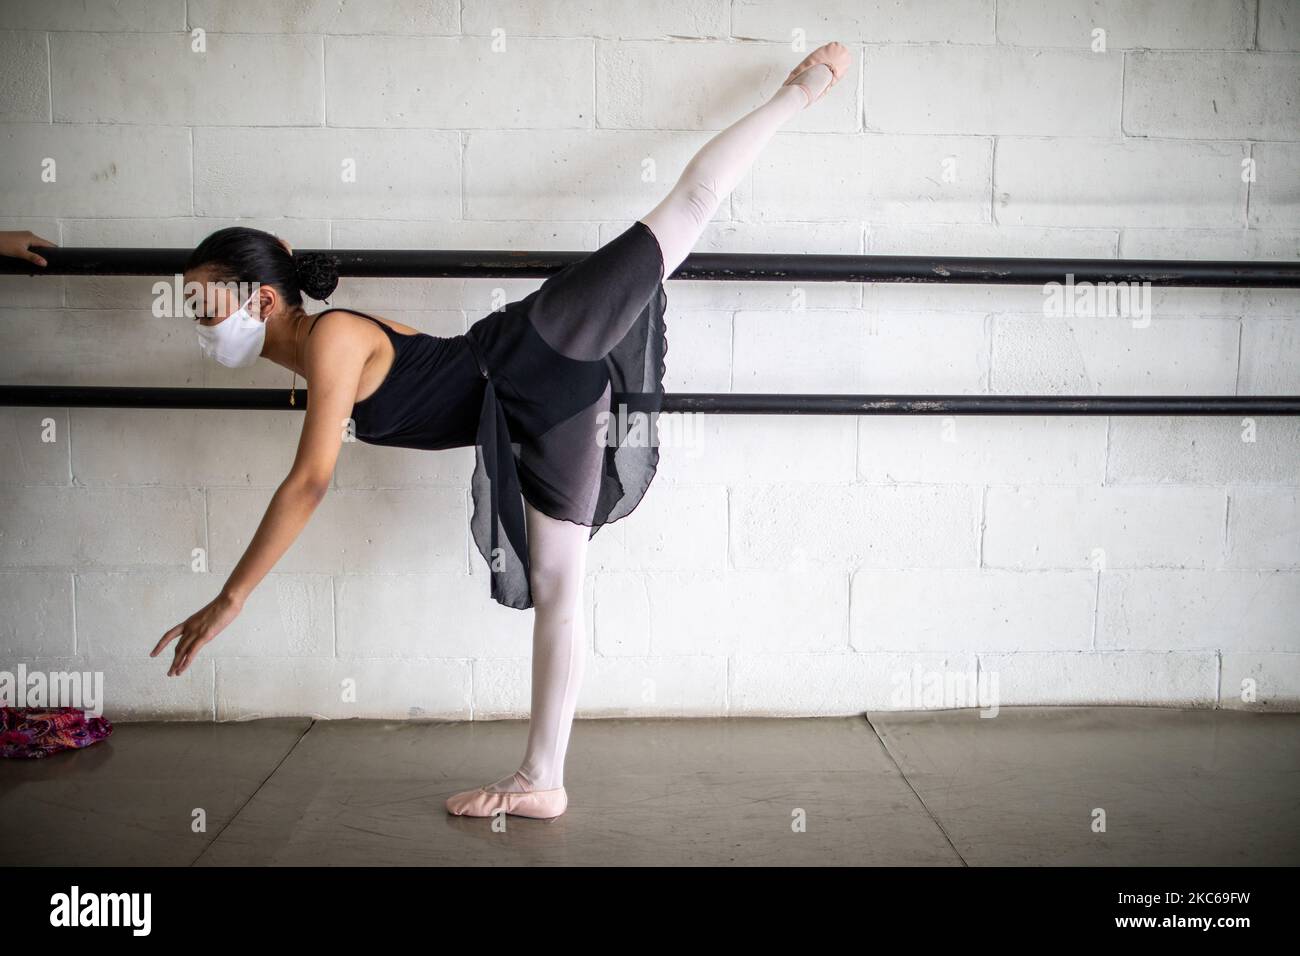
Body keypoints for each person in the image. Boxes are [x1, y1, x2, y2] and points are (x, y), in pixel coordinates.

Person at [148, 42, 852, 820]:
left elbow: (311, 480)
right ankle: (542, 781)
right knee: (558, 589)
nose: (195, 319)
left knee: (684, 209)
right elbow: (430, 360)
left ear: (262, 300)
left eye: (203, 302)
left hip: (542, 345)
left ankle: (802, 89)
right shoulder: (329, 355)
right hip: (535, 416)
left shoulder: (332, 341)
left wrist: (231, 597)